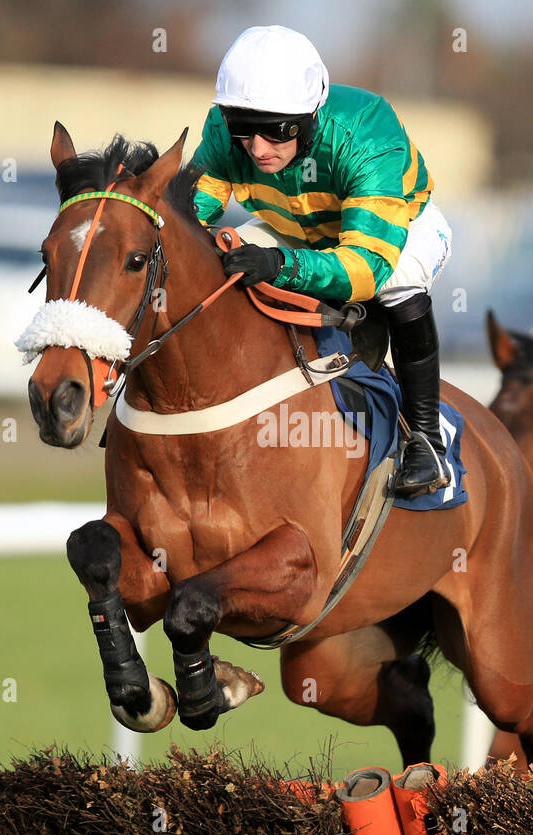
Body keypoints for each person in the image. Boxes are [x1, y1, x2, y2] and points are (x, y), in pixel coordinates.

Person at [189, 25, 453, 497]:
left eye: (277, 131)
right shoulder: (223, 129)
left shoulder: (367, 130)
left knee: (398, 284)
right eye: (242, 129)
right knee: (218, 257)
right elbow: (189, 215)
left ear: (312, 115)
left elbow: (365, 268)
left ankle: (427, 444)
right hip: (292, 229)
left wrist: (282, 265)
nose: (258, 148)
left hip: (395, 231)